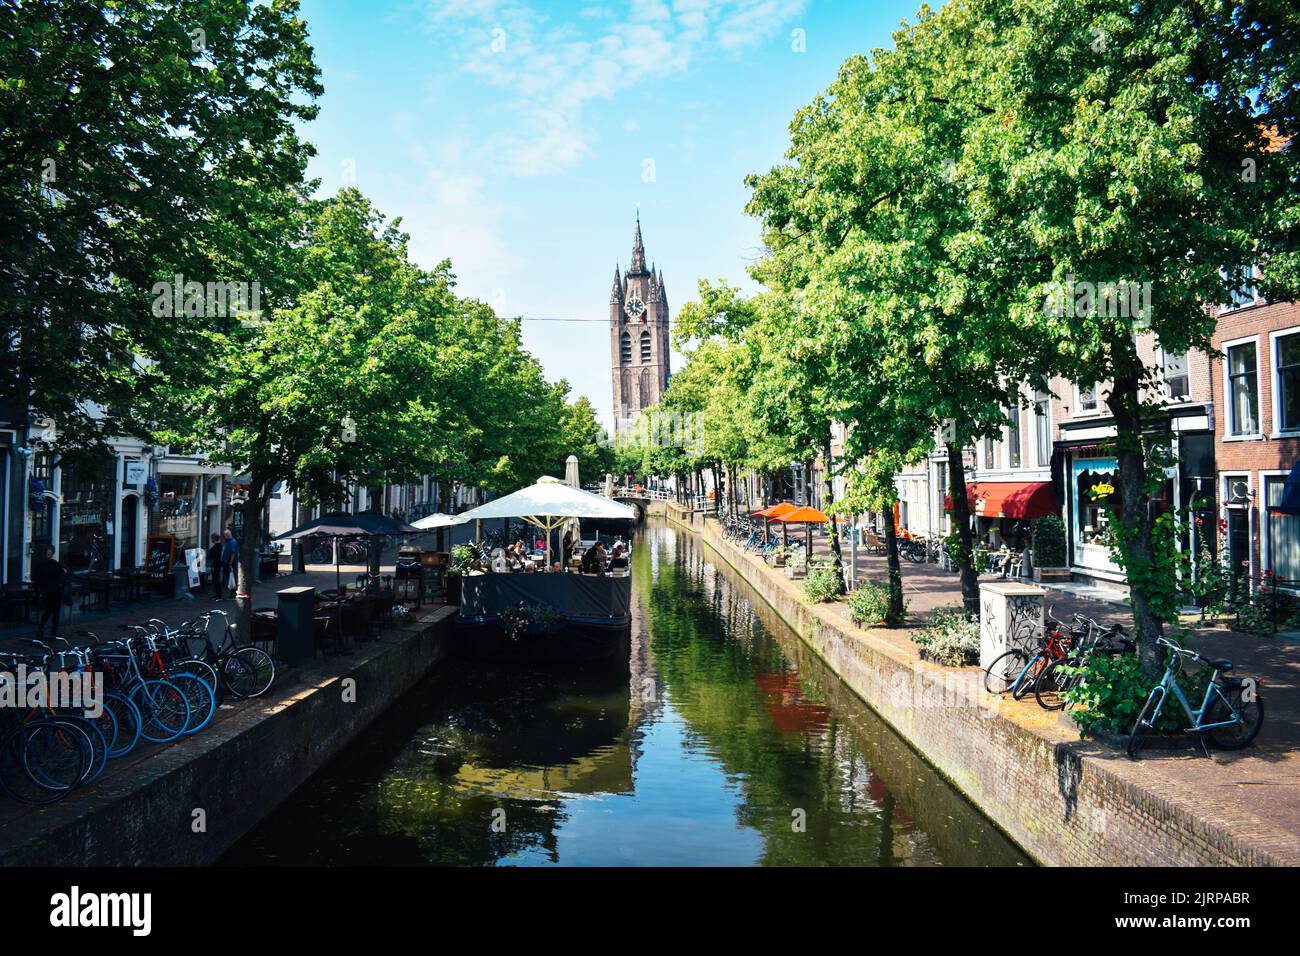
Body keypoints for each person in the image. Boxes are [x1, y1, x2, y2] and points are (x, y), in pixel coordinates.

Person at [32, 545, 67, 639]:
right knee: (49, 611)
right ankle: (45, 629)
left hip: (54, 592)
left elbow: (62, 577)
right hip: (48, 592)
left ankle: (51, 631)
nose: (49, 554)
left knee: (53, 612)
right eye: (48, 552)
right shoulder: (43, 565)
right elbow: (36, 579)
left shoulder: (54, 564)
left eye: (50, 553)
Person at [221, 529, 240, 596]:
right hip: (228, 562)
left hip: (230, 563)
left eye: (224, 536)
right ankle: (232, 592)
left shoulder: (232, 542)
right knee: (229, 577)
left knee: (231, 577)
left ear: (227, 535)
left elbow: (233, 553)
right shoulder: (229, 541)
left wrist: (230, 563)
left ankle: (233, 593)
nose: (224, 537)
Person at [206, 533, 225, 598]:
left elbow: (214, 556)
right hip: (217, 565)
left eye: (212, 538)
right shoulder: (220, 546)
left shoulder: (217, 547)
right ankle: (217, 594)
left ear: (214, 539)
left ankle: (218, 595)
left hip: (216, 565)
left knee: (216, 580)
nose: (211, 540)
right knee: (216, 580)